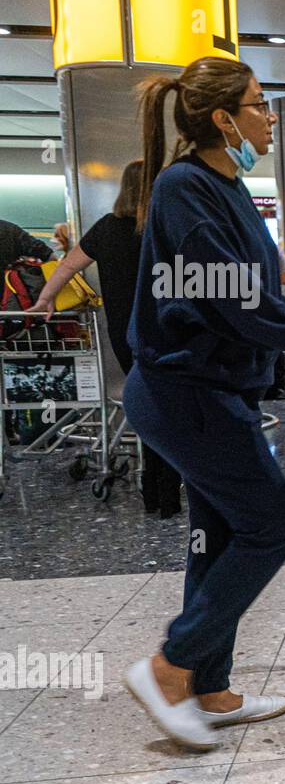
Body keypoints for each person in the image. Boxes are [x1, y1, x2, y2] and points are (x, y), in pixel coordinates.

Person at [119, 57, 285, 750]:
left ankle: (211, 688)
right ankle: (171, 666)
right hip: (187, 392)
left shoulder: (229, 188)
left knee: (221, 535)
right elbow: (235, 302)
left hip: (213, 390)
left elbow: (263, 296)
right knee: (271, 526)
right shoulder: (186, 188)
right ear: (222, 119)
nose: (270, 119)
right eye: (260, 106)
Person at [30, 161, 182, 517]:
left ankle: (152, 492)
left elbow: (67, 265)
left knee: (149, 406)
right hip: (168, 332)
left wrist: (46, 298)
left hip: (125, 336)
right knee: (171, 411)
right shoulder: (165, 228)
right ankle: (167, 495)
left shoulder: (106, 229)